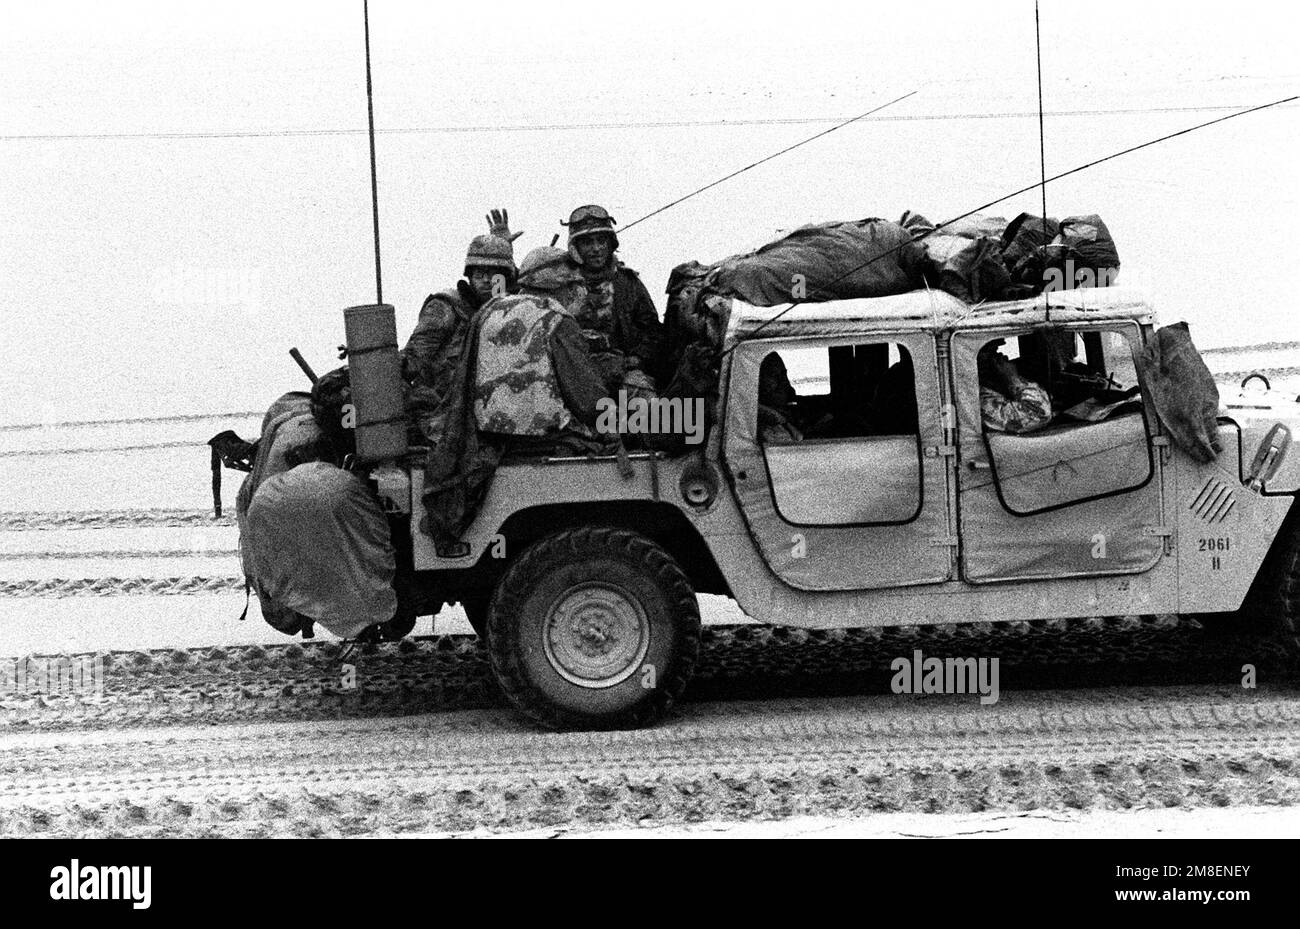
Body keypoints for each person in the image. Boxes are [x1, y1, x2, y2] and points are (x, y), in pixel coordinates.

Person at [472, 246, 613, 456]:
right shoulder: (557, 318)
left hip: (488, 441)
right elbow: (588, 402)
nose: (581, 294)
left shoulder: (488, 311)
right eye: (576, 285)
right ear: (565, 286)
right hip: (548, 441)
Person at [403, 229, 517, 443]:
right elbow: (414, 358)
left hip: (500, 415)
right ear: (469, 276)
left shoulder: (514, 311)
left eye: (494, 274)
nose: (486, 280)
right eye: (479, 274)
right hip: (445, 415)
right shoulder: (447, 307)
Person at [562, 204, 665, 390]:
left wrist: (638, 358)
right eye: (587, 243)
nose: (596, 249)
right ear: (575, 248)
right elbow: (522, 301)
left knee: (648, 408)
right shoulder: (560, 283)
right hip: (572, 373)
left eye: (601, 241)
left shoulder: (628, 283)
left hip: (622, 371)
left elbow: (652, 330)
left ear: (610, 244)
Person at [978, 340, 1053, 434]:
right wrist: (1014, 379)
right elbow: (1039, 414)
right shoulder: (979, 398)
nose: (1001, 355)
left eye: (996, 350)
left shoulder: (996, 384)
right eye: (990, 353)